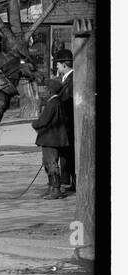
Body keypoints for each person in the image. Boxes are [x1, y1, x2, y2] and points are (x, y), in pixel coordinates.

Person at [32, 79, 70, 199]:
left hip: (50, 139)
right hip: (54, 138)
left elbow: (43, 121)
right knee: (48, 163)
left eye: (45, 89)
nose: (43, 92)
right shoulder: (57, 102)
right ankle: (51, 187)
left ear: (50, 90)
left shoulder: (52, 103)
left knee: (51, 164)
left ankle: (56, 189)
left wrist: (34, 123)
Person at [53, 48, 75, 193]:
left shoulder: (72, 79)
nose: (56, 67)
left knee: (70, 153)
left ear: (64, 65)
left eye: (57, 64)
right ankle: (68, 180)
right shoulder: (65, 78)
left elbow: (68, 101)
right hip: (64, 124)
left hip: (69, 123)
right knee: (65, 153)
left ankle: (75, 181)